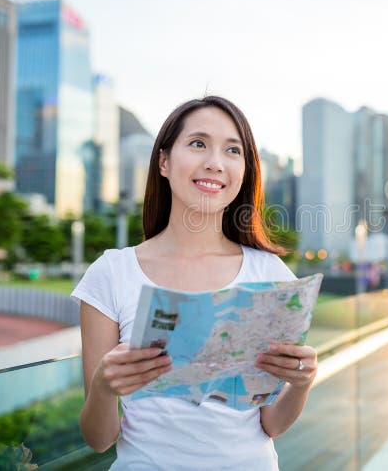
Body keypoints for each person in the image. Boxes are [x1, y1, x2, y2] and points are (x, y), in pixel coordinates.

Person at [71, 96, 317, 470]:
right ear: (164, 162)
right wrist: (104, 388)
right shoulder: (112, 273)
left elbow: (272, 424)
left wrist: (301, 382)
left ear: (245, 170)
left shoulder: (271, 275)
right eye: (198, 143)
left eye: (232, 150)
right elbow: (98, 438)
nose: (215, 163)